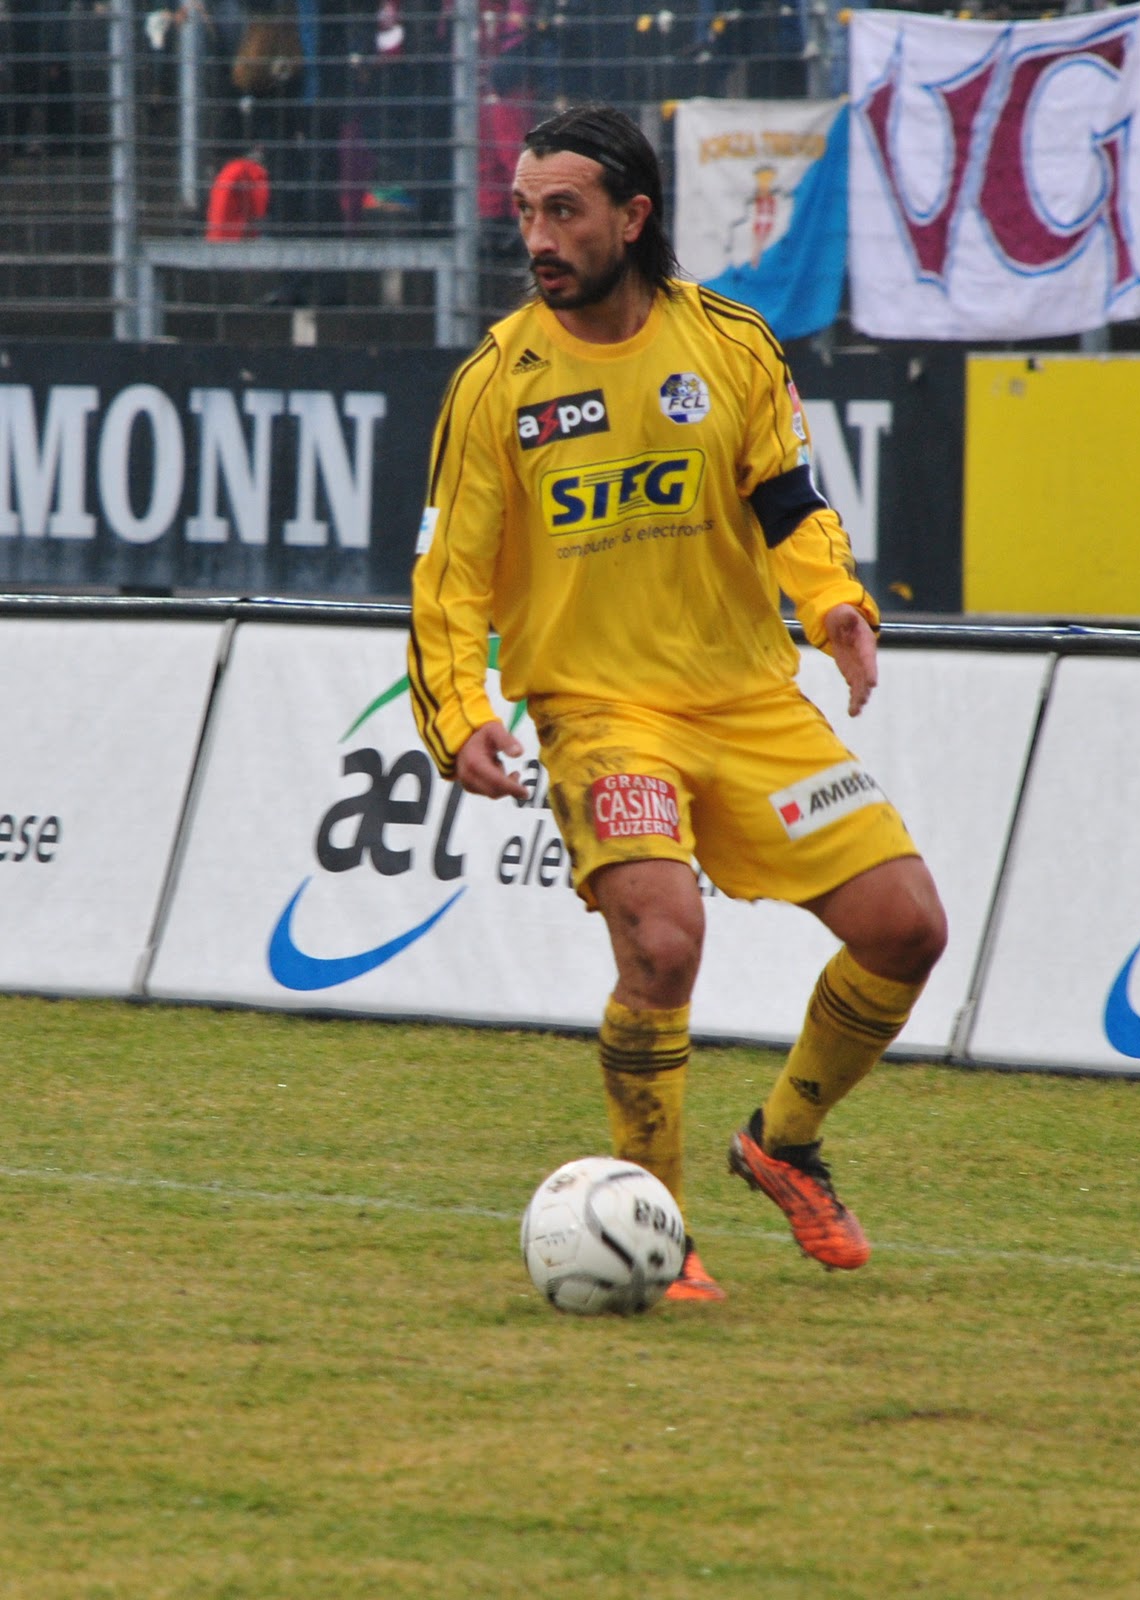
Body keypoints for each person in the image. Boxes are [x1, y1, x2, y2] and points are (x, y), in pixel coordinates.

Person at [408, 104, 947, 1303]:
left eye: (564, 211)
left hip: (748, 700)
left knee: (908, 926)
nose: (538, 237)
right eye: (525, 213)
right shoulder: (499, 384)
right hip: (601, 711)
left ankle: (784, 1142)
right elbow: (445, 581)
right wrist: (457, 714)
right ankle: (658, 1223)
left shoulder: (732, 344)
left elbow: (791, 504)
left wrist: (837, 605)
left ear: (634, 217)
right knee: (662, 938)